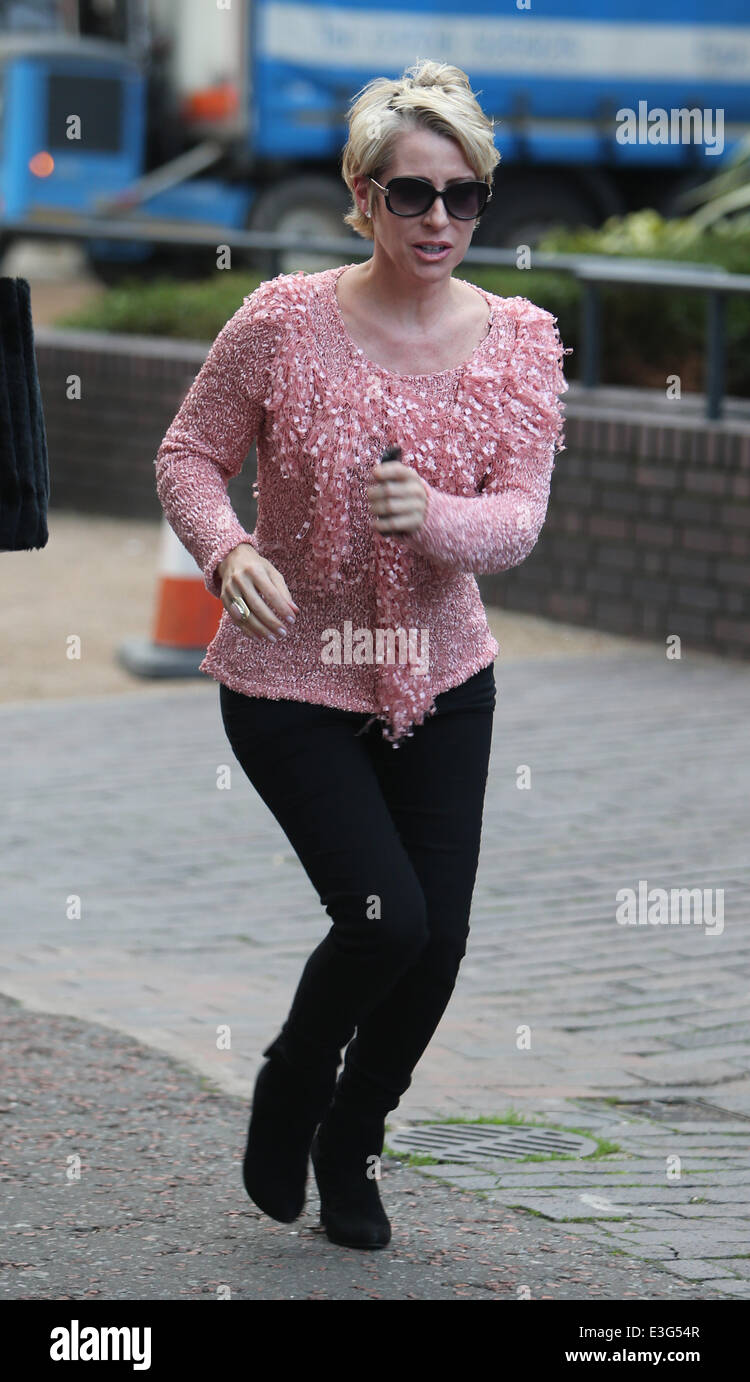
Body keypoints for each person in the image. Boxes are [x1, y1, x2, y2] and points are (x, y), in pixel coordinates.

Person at [154, 57, 569, 1252]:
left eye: (464, 196)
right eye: (411, 194)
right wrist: (226, 549)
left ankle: (352, 1138)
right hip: (292, 677)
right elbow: (188, 455)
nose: (439, 219)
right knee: (385, 919)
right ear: (361, 194)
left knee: (438, 945)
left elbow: (520, 518)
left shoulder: (520, 343)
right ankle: (294, 1077)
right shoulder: (281, 320)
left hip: (444, 676)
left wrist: (432, 516)